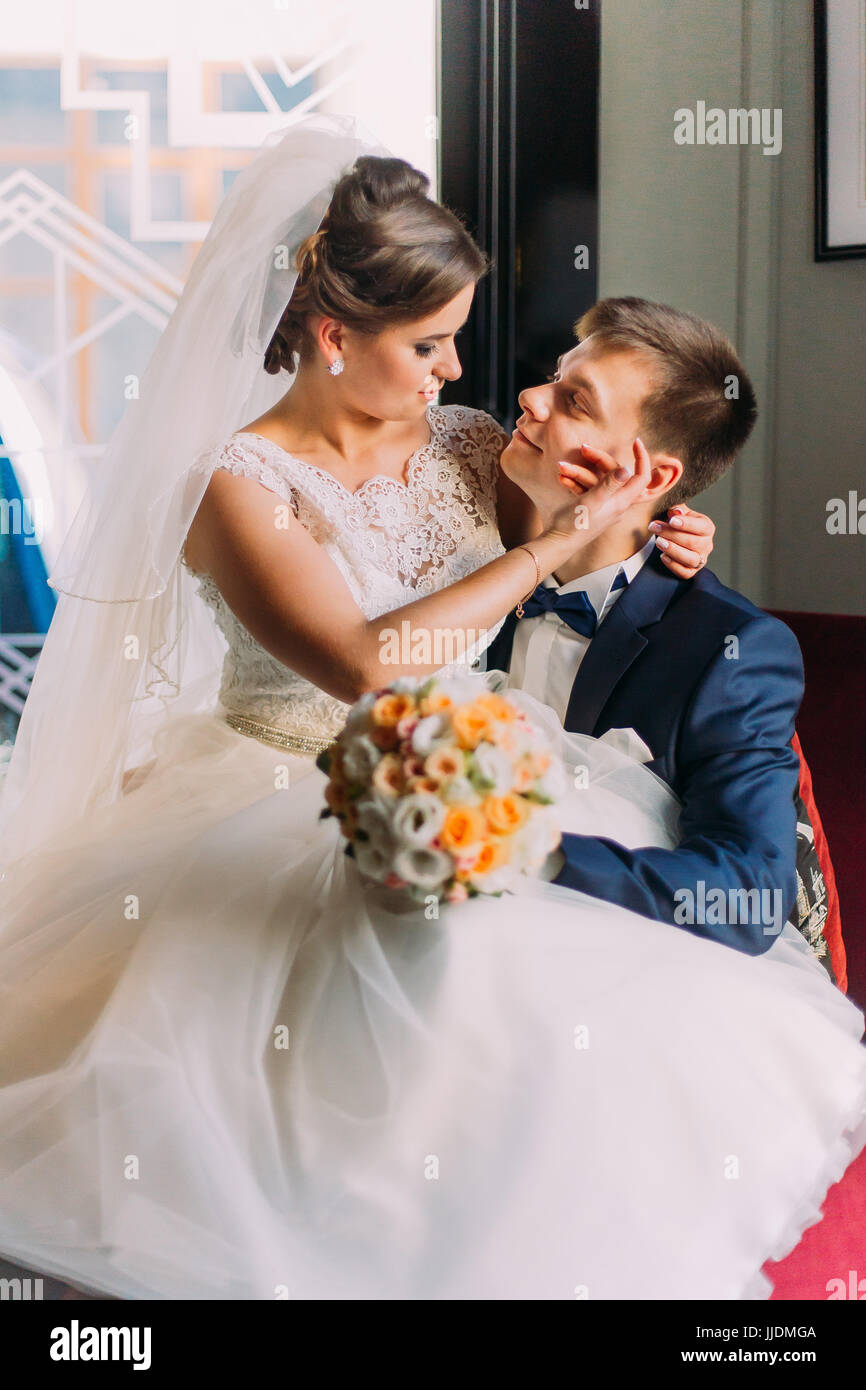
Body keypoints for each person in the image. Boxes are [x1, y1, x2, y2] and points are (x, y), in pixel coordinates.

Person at [0, 115, 862, 1302]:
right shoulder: (238, 487)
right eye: (431, 343)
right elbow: (364, 663)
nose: (460, 372)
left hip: (480, 762)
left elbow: (581, 556)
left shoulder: (465, 442)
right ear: (332, 333)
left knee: (573, 982)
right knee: (411, 976)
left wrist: (650, 535)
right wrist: (546, 544)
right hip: (278, 787)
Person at [486, 295, 836, 966]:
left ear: (655, 475)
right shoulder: (461, 565)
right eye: (552, 379)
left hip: (631, 973)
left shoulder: (730, 652)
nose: (531, 398)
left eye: (576, 402)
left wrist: (526, 854)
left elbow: (750, 894)